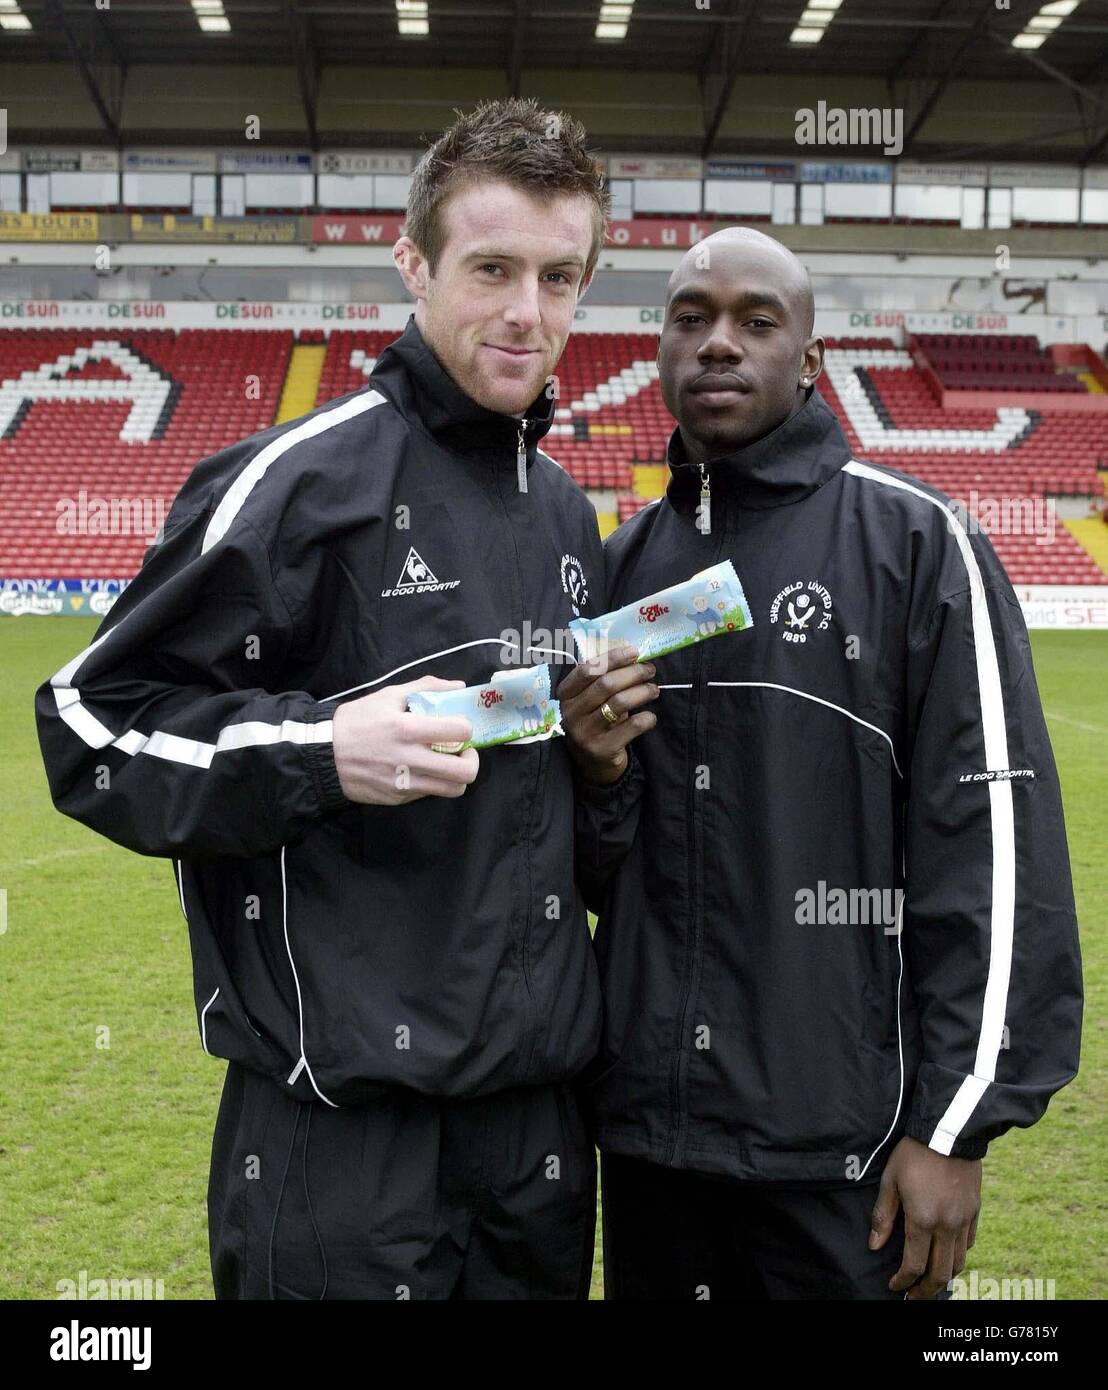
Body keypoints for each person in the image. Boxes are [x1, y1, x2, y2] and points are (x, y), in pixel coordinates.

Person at [36, 98, 610, 1300]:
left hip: (539, 1143)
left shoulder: (567, 509)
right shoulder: (300, 481)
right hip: (344, 1142)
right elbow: (89, 725)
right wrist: (316, 746)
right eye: (492, 267)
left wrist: (596, 755)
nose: (527, 312)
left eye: (561, 277)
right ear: (412, 263)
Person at [561, 227, 1083, 1300]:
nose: (717, 343)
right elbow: (596, 875)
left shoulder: (919, 543)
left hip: (847, 1158)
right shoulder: (620, 574)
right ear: (657, 346)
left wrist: (954, 1126)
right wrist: (600, 778)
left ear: (808, 359)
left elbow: (997, 855)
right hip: (655, 1147)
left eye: (756, 322)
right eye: (690, 318)